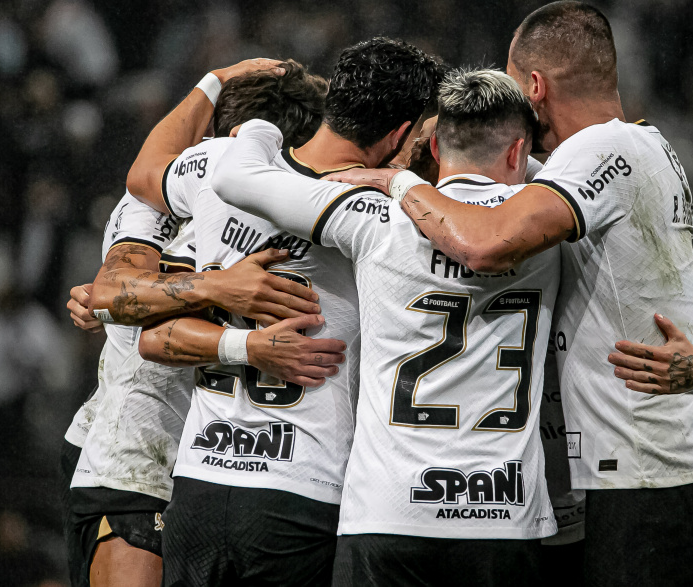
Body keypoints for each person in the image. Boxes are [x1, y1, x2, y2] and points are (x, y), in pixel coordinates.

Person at [328, 1, 693, 586]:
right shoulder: (640, 150)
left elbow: (484, 242)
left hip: (655, 476)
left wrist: (396, 181)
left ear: (534, 84)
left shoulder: (594, 154)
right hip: (657, 475)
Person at [214, 68, 562, 586]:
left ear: (437, 148)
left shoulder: (374, 217)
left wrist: (260, 130)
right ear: (516, 153)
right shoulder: (552, 232)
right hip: (504, 514)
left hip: (388, 513)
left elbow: (234, 179)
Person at [132, 37, 443, 587]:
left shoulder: (221, 164)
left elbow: (145, 174)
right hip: (301, 491)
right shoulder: (383, 217)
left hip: (199, 483)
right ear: (399, 136)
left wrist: (216, 81)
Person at [60, 58, 337, 587]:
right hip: (132, 464)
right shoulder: (154, 203)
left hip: (212, 471)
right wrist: (217, 288)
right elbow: (112, 293)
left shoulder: (290, 211)